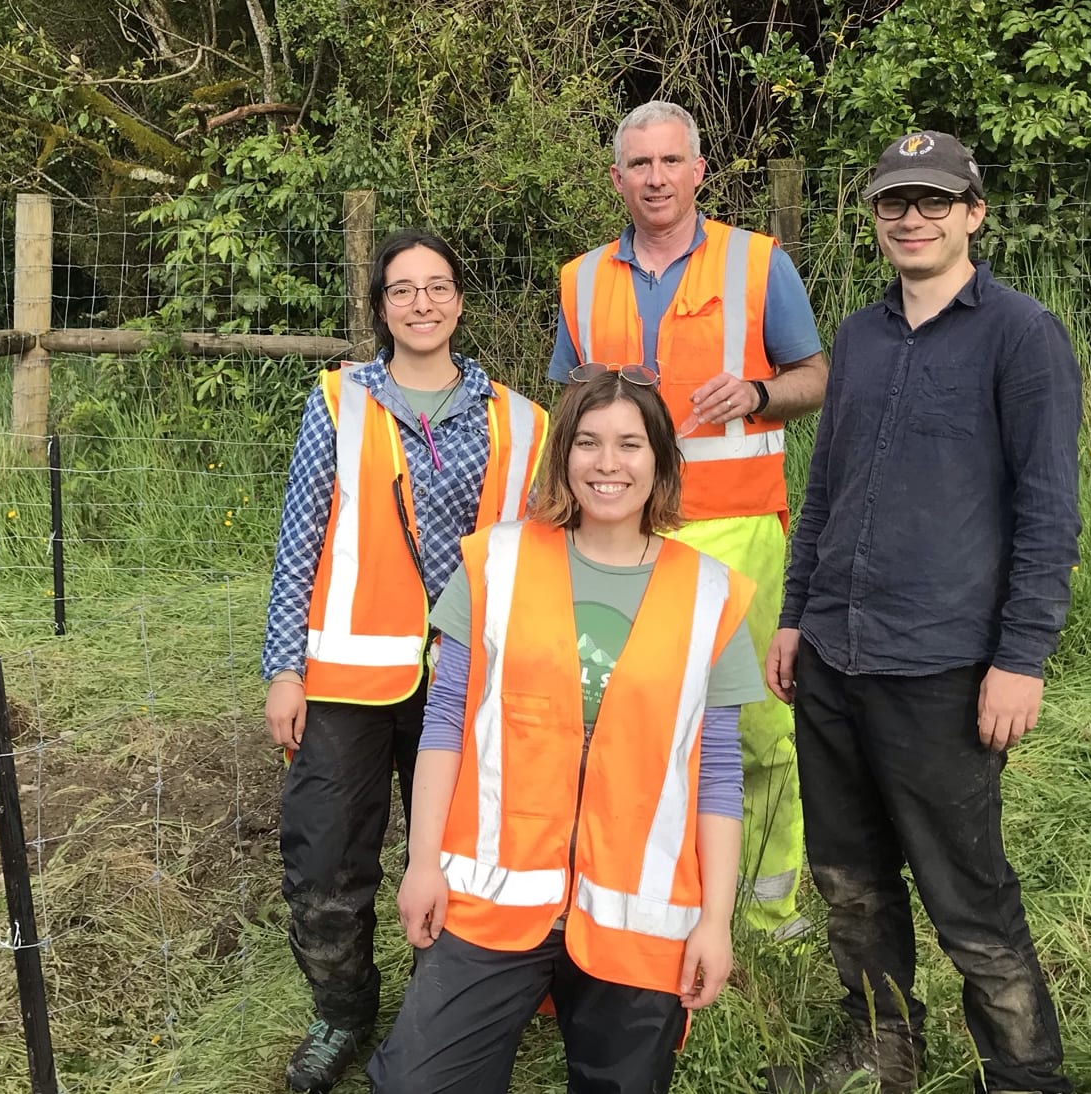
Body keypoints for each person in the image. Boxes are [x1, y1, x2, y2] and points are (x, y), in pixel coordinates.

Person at [762, 131, 1080, 1094]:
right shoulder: (856, 337)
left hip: (940, 667)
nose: (910, 217)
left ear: (972, 214)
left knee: (967, 894)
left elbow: (1047, 512)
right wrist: (794, 615)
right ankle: (883, 1046)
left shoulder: (1021, 336)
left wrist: (1019, 657)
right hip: (831, 657)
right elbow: (824, 489)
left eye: (932, 201)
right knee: (848, 879)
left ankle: (1025, 1077)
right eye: (893, 202)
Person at [366, 366, 759, 1093]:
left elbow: (718, 776)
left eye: (629, 445)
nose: (607, 464)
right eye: (587, 443)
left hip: (636, 919)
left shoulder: (712, 596)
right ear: (563, 458)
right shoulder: (494, 563)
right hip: (490, 902)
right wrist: (421, 862)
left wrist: (715, 922)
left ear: (661, 461)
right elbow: (445, 725)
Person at [262, 228, 550, 1093]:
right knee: (325, 860)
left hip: (469, 679)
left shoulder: (522, 420)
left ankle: (442, 1010)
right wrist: (283, 667)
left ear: (459, 301)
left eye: (437, 287)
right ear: (379, 306)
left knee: (461, 855)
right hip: (346, 678)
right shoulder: (337, 401)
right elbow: (298, 540)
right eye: (402, 289)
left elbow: (538, 553)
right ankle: (341, 1014)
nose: (421, 303)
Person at [550, 100, 827, 935]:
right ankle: (644, 893)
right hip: (616, 537)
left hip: (736, 528)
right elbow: (567, 397)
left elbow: (816, 376)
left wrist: (757, 393)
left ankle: (768, 911)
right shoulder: (581, 278)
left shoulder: (756, 263)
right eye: (639, 165)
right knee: (622, 721)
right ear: (616, 179)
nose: (656, 178)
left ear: (699, 171)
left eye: (671, 162)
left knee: (754, 725)